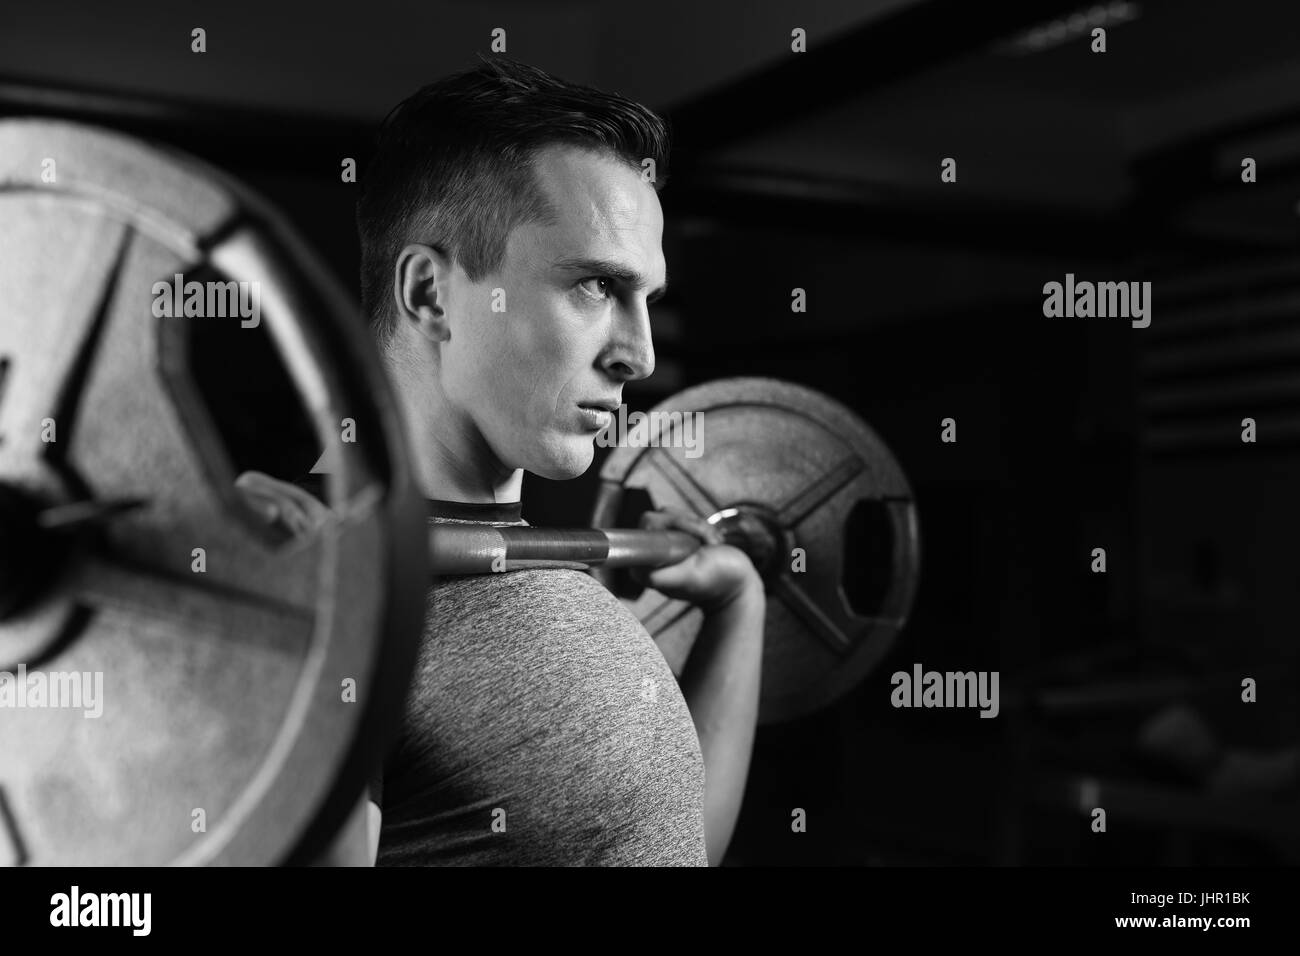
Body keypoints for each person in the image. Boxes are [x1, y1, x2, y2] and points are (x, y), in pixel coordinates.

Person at [237, 56, 764, 866]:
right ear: (431, 295)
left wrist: (739, 607)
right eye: (594, 287)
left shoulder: (543, 569)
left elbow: (667, 840)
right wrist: (319, 651)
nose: (640, 355)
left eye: (646, 302)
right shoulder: (309, 592)